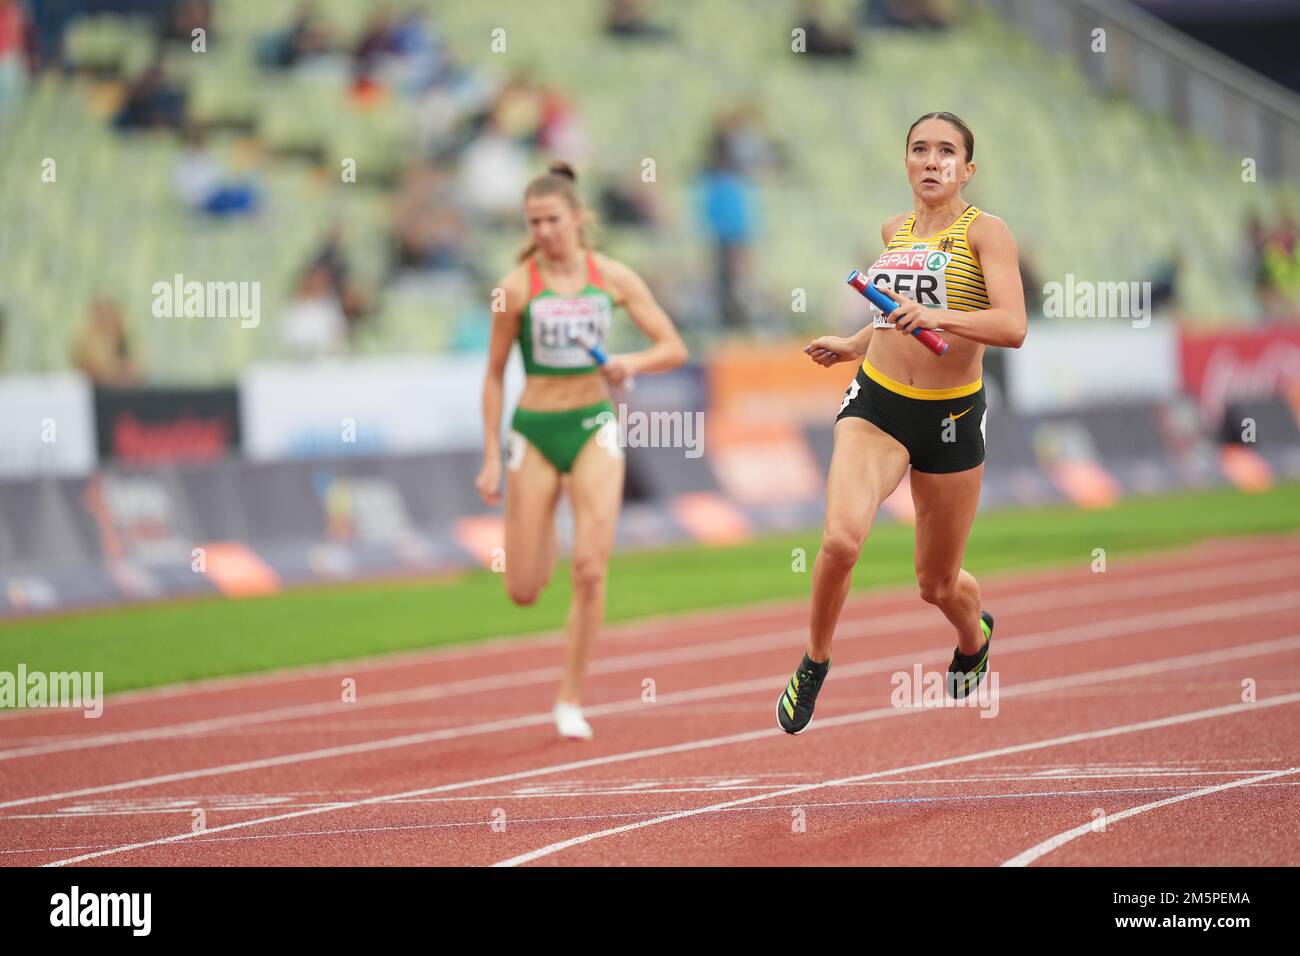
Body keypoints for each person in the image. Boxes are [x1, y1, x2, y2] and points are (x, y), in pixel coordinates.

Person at [777, 111, 1027, 734]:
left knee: (937, 584)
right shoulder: (895, 229)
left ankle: (974, 637)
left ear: (967, 169)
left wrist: (940, 320)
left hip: (951, 417)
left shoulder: (986, 233)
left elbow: (1012, 326)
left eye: (947, 151)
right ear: (907, 163)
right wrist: (858, 342)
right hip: (878, 403)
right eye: (920, 149)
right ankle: (815, 661)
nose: (932, 160)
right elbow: (897, 314)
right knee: (840, 540)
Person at [477, 162, 688, 740]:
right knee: (523, 588)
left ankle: (570, 698)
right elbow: (494, 375)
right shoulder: (516, 287)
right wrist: (493, 455)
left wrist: (630, 364)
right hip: (535, 429)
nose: (543, 231)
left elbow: (672, 345)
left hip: (593, 423)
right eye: (533, 222)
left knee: (591, 570)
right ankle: (537, 523)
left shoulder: (613, 277)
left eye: (552, 219)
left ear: (578, 219)